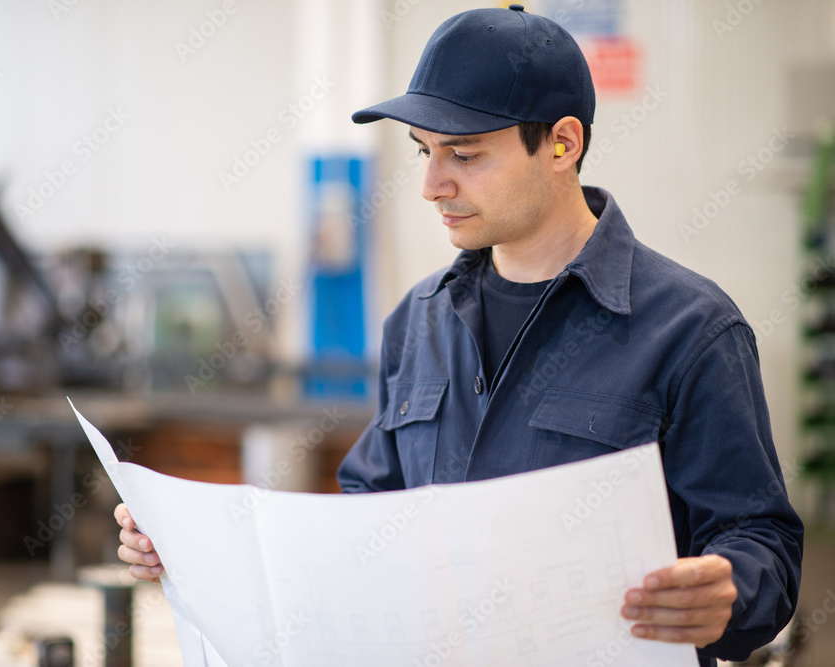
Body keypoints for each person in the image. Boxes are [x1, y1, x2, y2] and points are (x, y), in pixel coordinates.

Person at [116, 6, 802, 665]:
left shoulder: (691, 330)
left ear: (563, 143)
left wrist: (729, 590)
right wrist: (196, 552)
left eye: (465, 155)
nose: (430, 184)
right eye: (424, 151)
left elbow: (762, 541)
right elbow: (367, 529)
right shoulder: (418, 321)